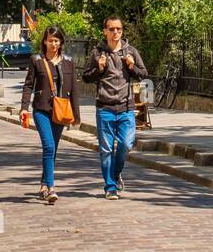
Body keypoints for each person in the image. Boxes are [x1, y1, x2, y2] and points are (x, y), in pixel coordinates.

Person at [81, 15, 147, 199]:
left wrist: (132, 66)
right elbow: (86, 77)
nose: (115, 32)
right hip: (105, 108)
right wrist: (99, 68)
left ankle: (116, 173)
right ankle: (110, 186)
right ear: (105, 31)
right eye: (111, 29)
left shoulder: (130, 51)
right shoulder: (97, 53)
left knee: (126, 144)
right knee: (106, 150)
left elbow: (143, 74)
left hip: (126, 108)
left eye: (118, 29)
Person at [19, 26, 81, 204]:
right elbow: (28, 85)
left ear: (61, 42)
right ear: (44, 41)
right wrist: (24, 107)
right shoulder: (37, 60)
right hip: (41, 109)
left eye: (56, 40)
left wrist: (76, 116)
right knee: (48, 146)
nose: (53, 44)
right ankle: (51, 188)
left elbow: (73, 89)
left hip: (61, 110)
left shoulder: (68, 61)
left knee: (52, 149)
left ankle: (44, 184)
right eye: (50, 40)